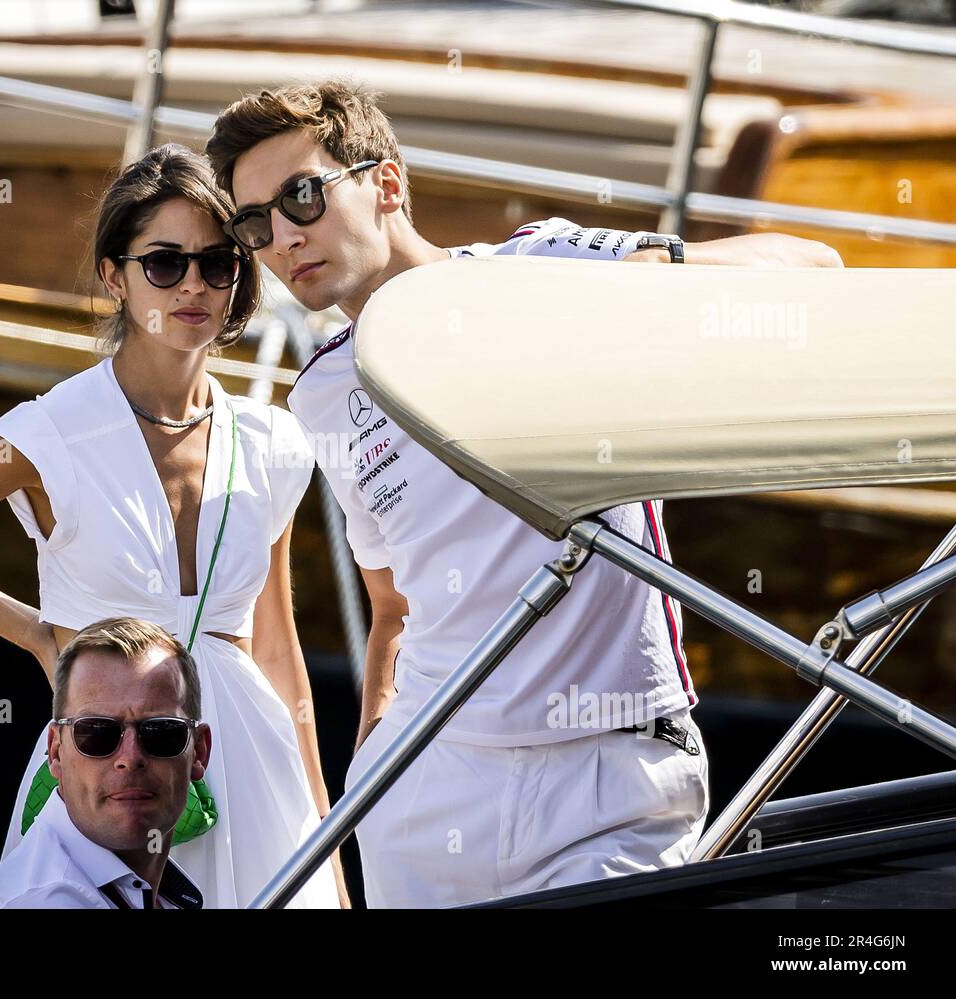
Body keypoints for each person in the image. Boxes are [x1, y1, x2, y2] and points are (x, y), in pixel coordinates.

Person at [205, 78, 844, 908]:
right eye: (256, 224)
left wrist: (640, 283)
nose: (283, 237)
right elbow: (393, 610)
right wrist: (371, 781)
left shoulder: (537, 269)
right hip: (425, 787)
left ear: (387, 184)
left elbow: (815, 267)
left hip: (606, 778)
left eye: (301, 197)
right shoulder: (324, 391)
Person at [0, 143, 344, 908]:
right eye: (164, 263)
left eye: (218, 263)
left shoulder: (272, 443)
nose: (194, 285)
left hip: (259, 786)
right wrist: (40, 635)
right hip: (111, 769)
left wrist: (327, 847)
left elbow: (277, 654)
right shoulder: (52, 433)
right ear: (115, 274)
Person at [0, 617, 210, 909]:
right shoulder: (46, 901)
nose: (130, 757)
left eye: (160, 731)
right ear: (56, 752)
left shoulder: (156, 890)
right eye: (96, 732)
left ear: (199, 750)